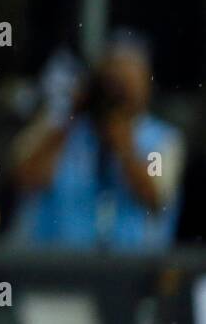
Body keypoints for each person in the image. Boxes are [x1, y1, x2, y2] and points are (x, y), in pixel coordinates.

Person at [11, 37, 184, 250]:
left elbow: (155, 196)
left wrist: (123, 141)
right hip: (56, 265)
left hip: (132, 271)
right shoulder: (60, 128)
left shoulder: (160, 139)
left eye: (126, 82)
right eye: (110, 82)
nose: (115, 94)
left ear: (146, 86)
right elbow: (24, 180)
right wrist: (70, 115)